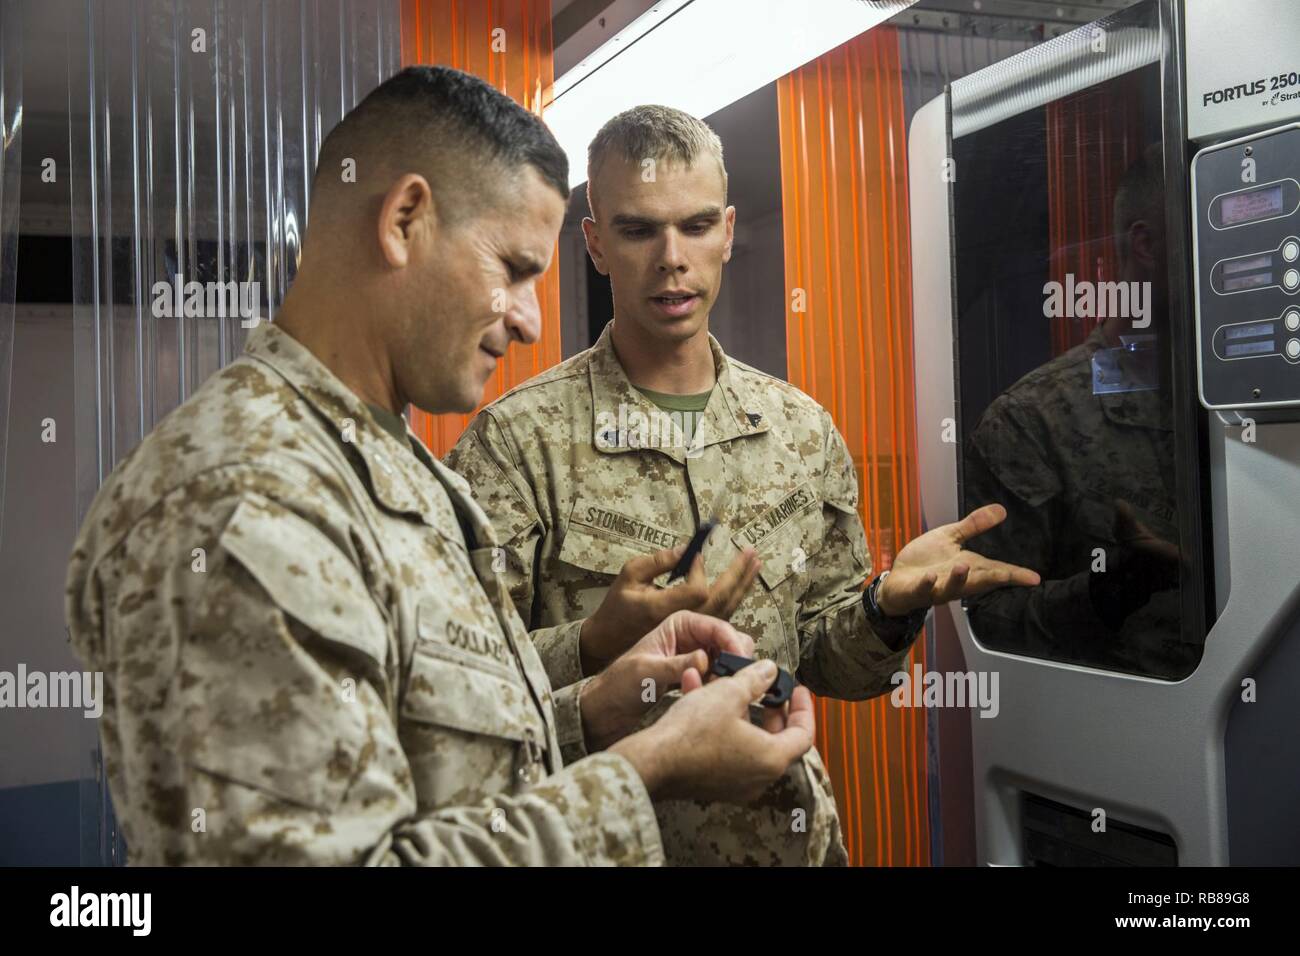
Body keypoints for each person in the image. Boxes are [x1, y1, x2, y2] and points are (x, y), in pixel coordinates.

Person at [63, 66, 816, 866]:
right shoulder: (241, 499)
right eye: (514, 271)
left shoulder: (385, 464)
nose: (528, 321)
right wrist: (645, 771)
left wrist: (595, 712)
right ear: (405, 220)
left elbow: (440, 769)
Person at [446, 105, 1038, 864]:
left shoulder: (798, 429)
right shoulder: (514, 447)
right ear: (594, 243)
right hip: (614, 844)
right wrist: (593, 644)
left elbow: (829, 665)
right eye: (637, 230)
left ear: (728, 231)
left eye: (695, 227)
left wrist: (886, 607)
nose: (671, 258)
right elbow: (467, 702)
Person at [962, 145, 1192, 679]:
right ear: (1147, 245)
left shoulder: (1232, 407)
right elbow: (990, 626)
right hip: (1119, 737)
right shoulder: (1033, 420)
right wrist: (1113, 590)